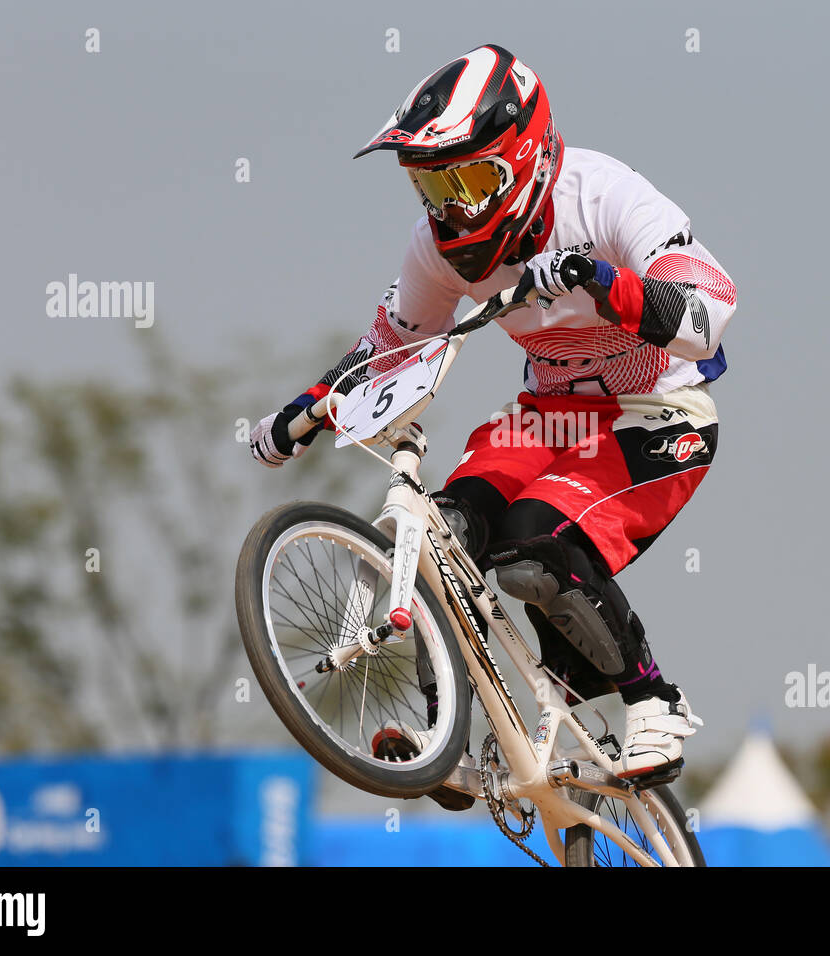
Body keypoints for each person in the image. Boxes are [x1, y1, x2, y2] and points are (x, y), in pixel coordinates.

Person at [250, 43, 736, 794]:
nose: (451, 211)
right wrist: (306, 408)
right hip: (548, 417)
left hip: (654, 415)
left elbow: (708, 316)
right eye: (432, 189)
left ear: (530, 161)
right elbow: (389, 345)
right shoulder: (437, 250)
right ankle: (443, 723)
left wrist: (609, 284)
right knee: (444, 536)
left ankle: (653, 700)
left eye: (470, 182)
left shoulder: (603, 195)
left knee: (532, 547)